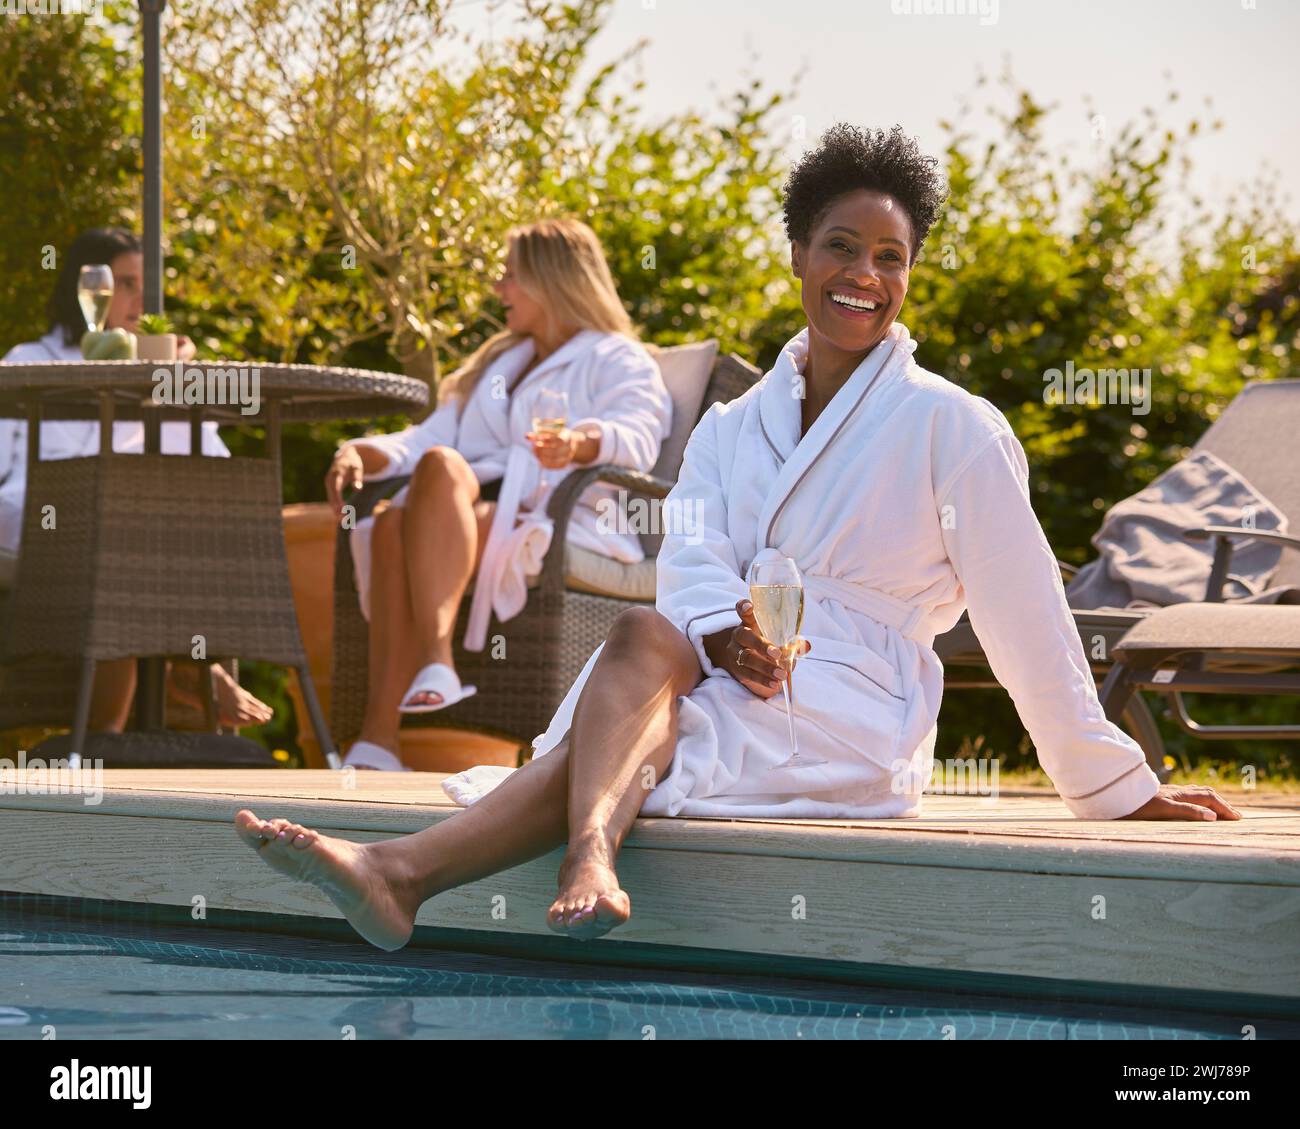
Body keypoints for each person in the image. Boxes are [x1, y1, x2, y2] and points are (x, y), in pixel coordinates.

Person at [236, 125, 1240, 952]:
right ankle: (579, 852)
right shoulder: (732, 425)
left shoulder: (950, 425)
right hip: (722, 661)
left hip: (857, 696)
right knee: (635, 643)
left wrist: (1112, 786)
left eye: (891, 257)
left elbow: (1026, 613)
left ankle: (406, 868)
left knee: (642, 729)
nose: (865, 275)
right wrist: (720, 634)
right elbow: (690, 558)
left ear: (910, 278)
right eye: (841, 246)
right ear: (800, 255)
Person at [323, 218, 672, 771]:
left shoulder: (619, 358)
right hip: (472, 501)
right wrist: (365, 451)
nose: (499, 290)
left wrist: (580, 443)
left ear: (552, 280)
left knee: (395, 523)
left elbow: (641, 435)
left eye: (510, 276)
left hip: (560, 512)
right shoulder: (498, 361)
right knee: (428, 476)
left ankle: (381, 732)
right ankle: (418, 690)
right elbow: (431, 438)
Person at [0, 226, 272, 731]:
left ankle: (106, 745)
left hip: (122, 536)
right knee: (116, 532)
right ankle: (187, 667)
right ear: (80, 288)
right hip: (29, 521)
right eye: (125, 283)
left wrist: (170, 383)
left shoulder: (159, 367)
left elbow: (210, 463)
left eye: (144, 285)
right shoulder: (29, 360)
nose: (138, 298)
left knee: (138, 533)